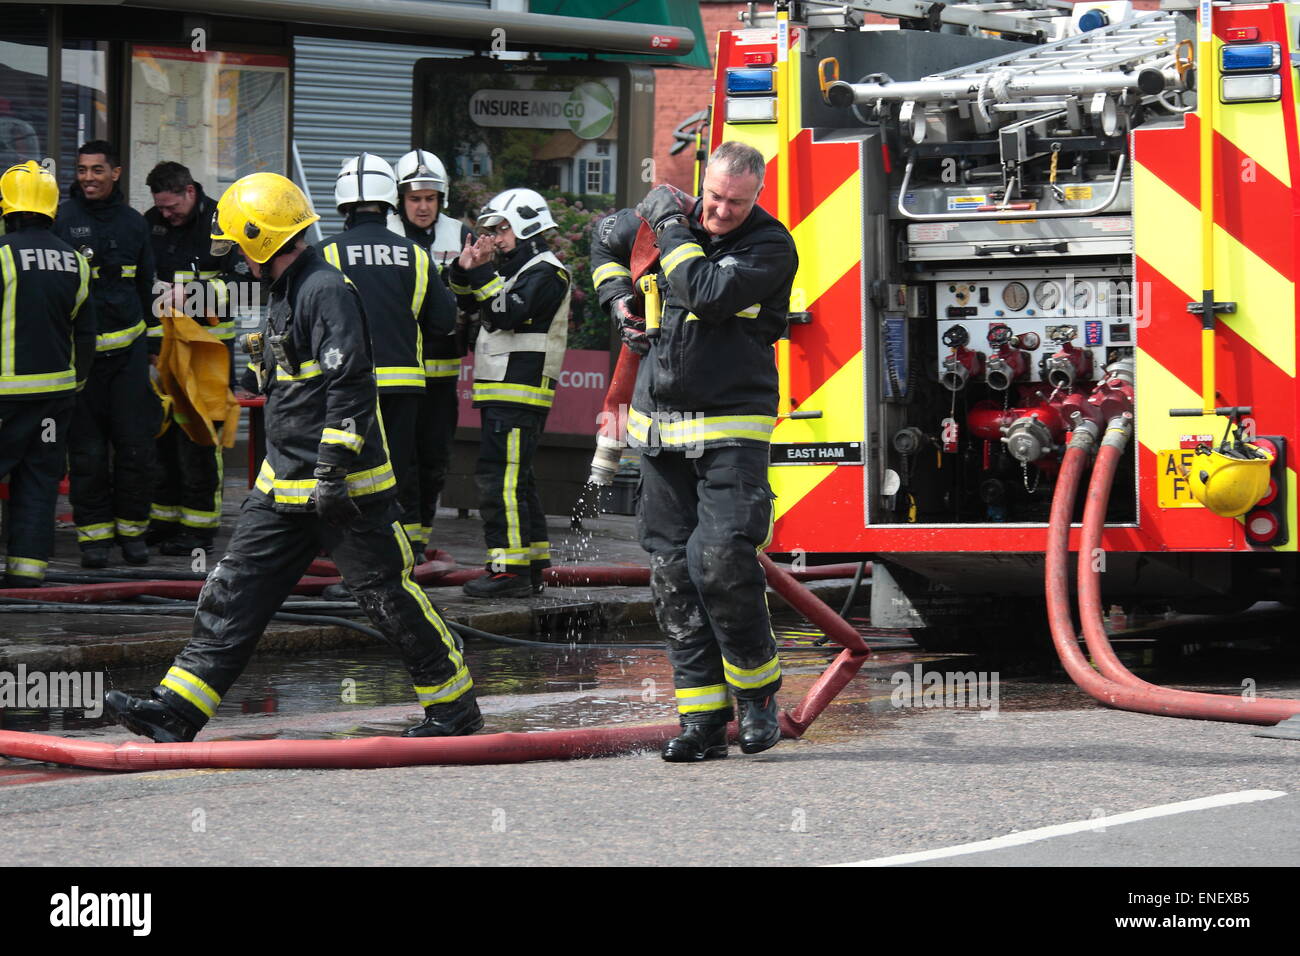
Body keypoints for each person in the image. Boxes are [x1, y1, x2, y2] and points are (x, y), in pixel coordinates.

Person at [104, 172, 481, 742]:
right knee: (233, 590)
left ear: (259, 239)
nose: (235, 259)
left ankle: (454, 707)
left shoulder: (325, 288)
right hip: (282, 486)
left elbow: (349, 383)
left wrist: (333, 467)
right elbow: (291, 374)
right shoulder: (284, 289)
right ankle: (177, 710)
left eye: (238, 246)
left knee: (387, 599)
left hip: (346, 489)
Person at [590, 142, 798, 762]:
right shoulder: (672, 219)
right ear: (703, 184)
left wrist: (673, 225)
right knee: (674, 573)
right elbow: (604, 241)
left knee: (719, 558)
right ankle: (702, 720)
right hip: (662, 429)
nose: (722, 211)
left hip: (732, 426)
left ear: (756, 196)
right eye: (713, 197)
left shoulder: (768, 246)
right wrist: (617, 299)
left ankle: (757, 695)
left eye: (736, 202)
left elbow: (703, 290)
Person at [318, 152, 455, 549]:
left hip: (347, 387)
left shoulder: (326, 254)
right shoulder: (415, 254)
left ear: (343, 202)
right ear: (391, 201)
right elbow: (443, 321)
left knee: (350, 468)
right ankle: (403, 549)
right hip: (406, 386)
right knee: (400, 469)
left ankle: (354, 552)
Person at [449, 188, 569, 598]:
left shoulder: (547, 272)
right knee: (517, 480)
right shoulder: (519, 271)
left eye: (502, 229)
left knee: (500, 480)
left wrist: (481, 275)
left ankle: (509, 571)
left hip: (520, 392)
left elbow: (503, 313)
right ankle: (533, 564)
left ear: (526, 225)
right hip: (503, 391)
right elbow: (474, 302)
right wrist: (465, 270)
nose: (496, 238)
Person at [53, 140, 158, 568]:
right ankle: (93, 538)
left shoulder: (135, 223)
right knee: (87, 454)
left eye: (97, 170)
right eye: (82, 170)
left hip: (129, 357)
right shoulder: (61, 219)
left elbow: (149, 288)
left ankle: (133, 534)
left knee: (135, 449)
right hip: (82, 362)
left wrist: (153, 350)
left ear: (115, 173)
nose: (88, 178)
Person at [0, 161, 96, 587]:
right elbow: (86, 334)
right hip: (56, 398)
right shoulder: (76, 262)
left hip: (5, 398)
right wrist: (75, 385)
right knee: (38, 481)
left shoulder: (2, 255)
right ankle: (26, 574)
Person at [144, 160, 241, 556]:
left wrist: (193, 297)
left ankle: (199, 528)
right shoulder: (150, 222)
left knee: (200, 442)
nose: (166, 214)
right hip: (162, 355)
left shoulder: (221, 224)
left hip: (207, 358)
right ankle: (165, 520)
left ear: (190, 191)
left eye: (173, 207)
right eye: (161, 208)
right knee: (162, 439)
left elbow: (247, 291)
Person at [394, 149, 471, 553]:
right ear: (400, 199)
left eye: (430, 198)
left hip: (441, 375)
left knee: (433, 459)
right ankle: (399, 543)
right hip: (395, 374)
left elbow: (472, 294)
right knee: (398, 460)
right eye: (414, 198)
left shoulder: (459, 235)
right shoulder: (385, 235)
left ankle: (418, 542)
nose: (423, 207)